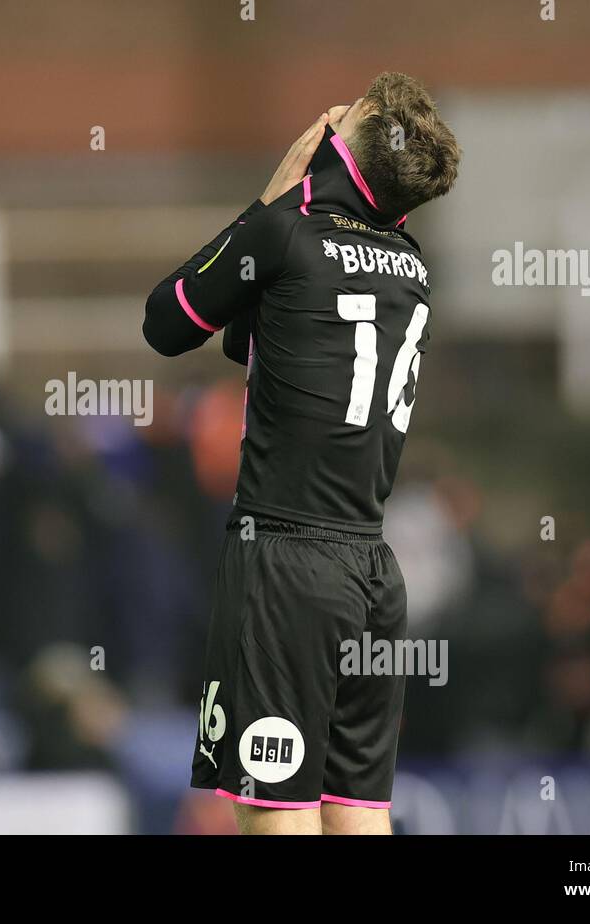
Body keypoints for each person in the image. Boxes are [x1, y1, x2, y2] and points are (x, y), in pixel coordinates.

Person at [142, 72, 460, 834]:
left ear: (347, 149)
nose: (325, 117)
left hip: (285, 564)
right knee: (358, 815)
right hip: (373, 574)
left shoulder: (285, 233)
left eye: (341, 115)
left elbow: (167, 322)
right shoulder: (412, 267)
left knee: (276, 812)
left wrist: (270, 199)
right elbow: (251, 341)